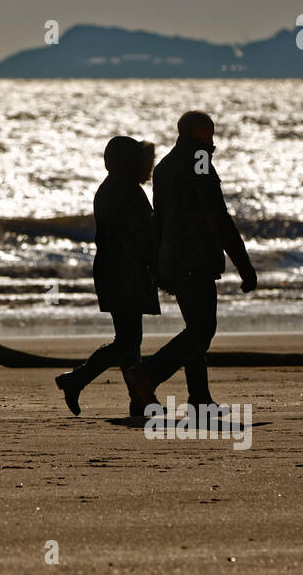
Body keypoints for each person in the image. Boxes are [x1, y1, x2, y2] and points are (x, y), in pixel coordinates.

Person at [136, 111, 256, 413]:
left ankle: (199, 398)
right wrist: (243, 263)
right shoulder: (200, 162)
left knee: (197, 328)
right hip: (195, 258)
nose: (213, 141)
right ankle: (147, 376)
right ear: (198, 133)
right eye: (209, 134)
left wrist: (159, 262)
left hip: (174, 259)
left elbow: (158, 221)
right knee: (202, 330)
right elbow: (218, 216)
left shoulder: (164, 167)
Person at [55, 136, 161, 417]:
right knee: (128, 340)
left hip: (114, 271)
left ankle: (141, 399)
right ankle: (76, 379)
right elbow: (141, 236)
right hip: (125, 272)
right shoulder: (127, 191)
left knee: (129, 339)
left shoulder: (111, 188)